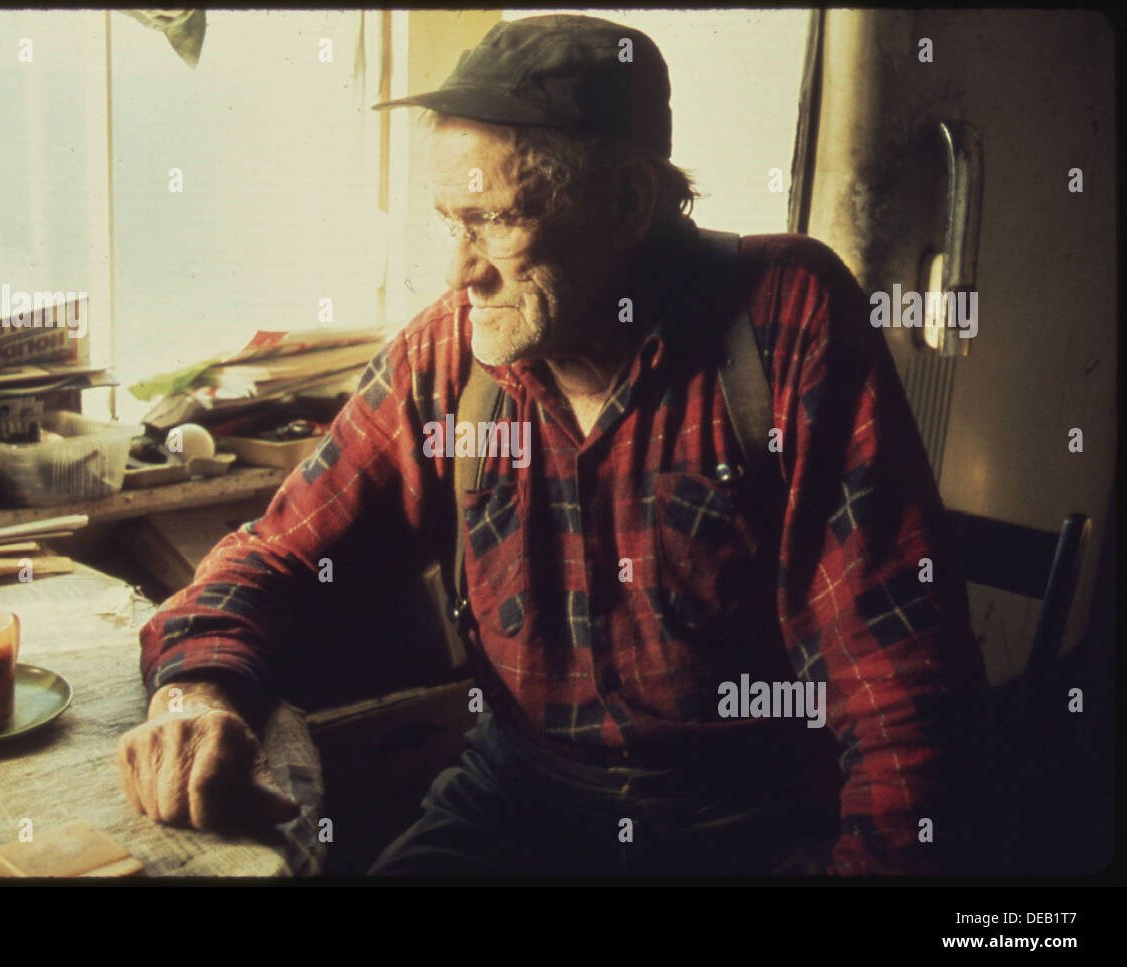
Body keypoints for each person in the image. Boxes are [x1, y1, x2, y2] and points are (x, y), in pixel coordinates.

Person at [118, 14, 985, 876]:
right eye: (448, 222)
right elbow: (280, 555)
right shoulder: (450, 353)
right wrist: (198, 688)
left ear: (627, 204)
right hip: (523, 798)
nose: (460, 269)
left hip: (749, 820)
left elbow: (901, 696)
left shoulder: (785, 321)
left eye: (492, 220)